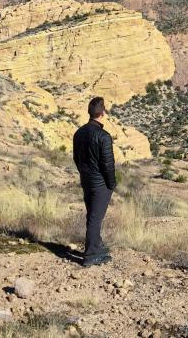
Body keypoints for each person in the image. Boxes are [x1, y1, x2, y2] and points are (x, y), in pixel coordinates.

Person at [72, 96, 116, 265]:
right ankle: (91, 256)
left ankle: (96, 246)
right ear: (102, 113)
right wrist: (111, 183)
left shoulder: (79, 133)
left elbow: (76, 158)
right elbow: (108, 164)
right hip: (100, 183)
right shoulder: (103, 136)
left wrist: (83, 173)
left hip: (86, 180)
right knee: (95, 218)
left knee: (92, 215)